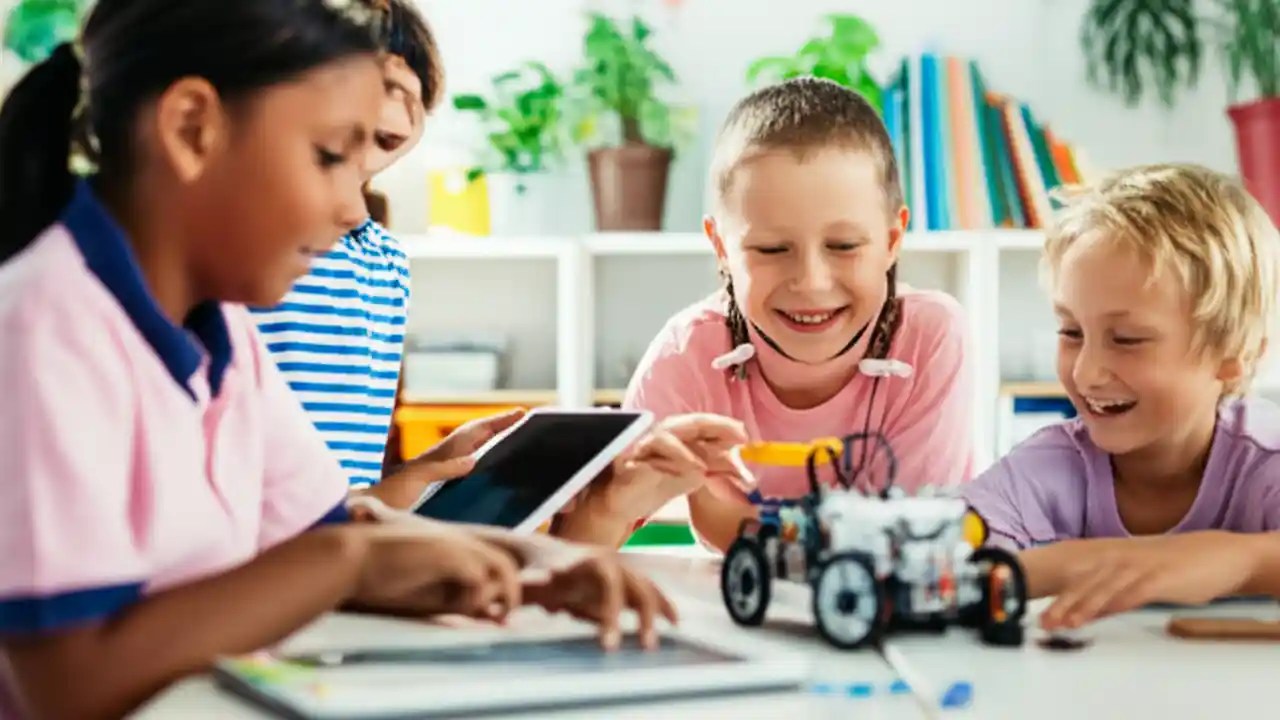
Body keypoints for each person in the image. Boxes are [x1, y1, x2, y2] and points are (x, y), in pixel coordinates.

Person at [0, 2, 673, 717]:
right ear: (193, 129)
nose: (355, 207)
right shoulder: (44, 328)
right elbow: (69, 685)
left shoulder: (223, 335)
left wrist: (534, 561)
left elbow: (333, 528)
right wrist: (349, 562)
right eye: (329, 156)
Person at [563, 77, 976, 551]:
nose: (811, 282)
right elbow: (574, 553)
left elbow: (911, 542)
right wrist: (610, 505)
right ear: (721, 246)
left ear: (892, 240)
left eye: (844, 246)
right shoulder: (685, 358)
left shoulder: (928, 337)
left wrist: (728, 516)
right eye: (772, 249)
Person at [959, 163, 1280, 628]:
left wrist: (1237, 561)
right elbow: (950, 562)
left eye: (1127, 339)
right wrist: (1092, 563)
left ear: (1235, 353)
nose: (1085, 372)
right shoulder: (1050, 468)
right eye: (1071, 332)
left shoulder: (1266, 461)